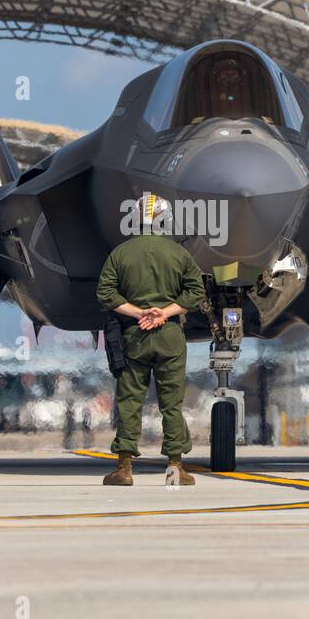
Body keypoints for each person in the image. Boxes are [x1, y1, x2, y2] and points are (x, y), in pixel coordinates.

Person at [95, 197, 206, 486]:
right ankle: (175, 467)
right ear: (164, 219)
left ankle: (124, 468)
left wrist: (139, 312)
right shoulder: (179, 254)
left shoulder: (121, 254)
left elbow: (106, 293)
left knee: (130, 400)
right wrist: (163, 314)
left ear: (135, 219)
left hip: (134, 335)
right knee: (172, 403)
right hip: (169, 336)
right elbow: (196, 293)